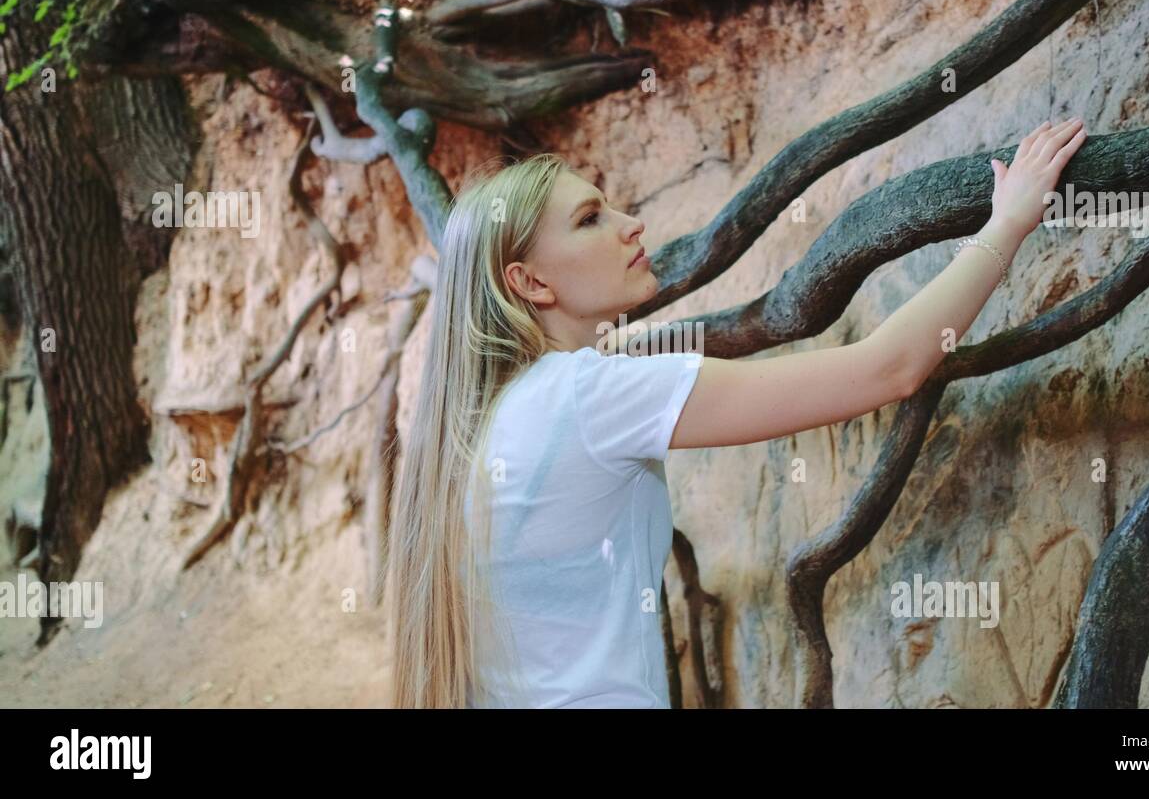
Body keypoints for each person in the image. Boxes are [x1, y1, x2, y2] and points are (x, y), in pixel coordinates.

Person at [387, 118, 1088, 708]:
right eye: (590, 218)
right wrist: (1011, 220)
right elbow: (891, 367)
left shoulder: (486, 424)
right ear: (530, 281)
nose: (633, 225)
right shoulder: (591, 395)